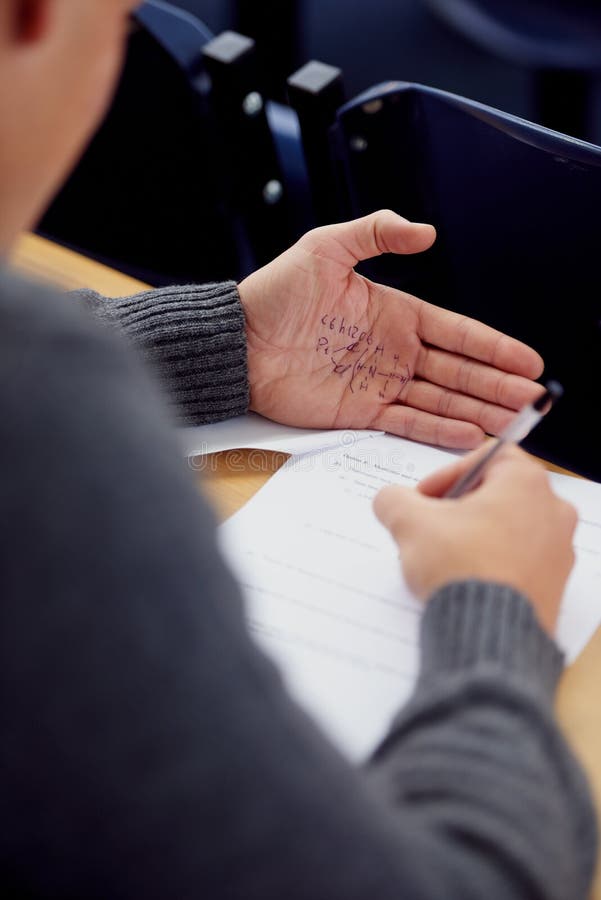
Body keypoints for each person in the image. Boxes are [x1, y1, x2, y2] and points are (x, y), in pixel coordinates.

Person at [0, 2, 596, 899]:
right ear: (36, 17)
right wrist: (493, 606)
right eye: (120, 23)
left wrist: (232, 339)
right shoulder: (44, 429)